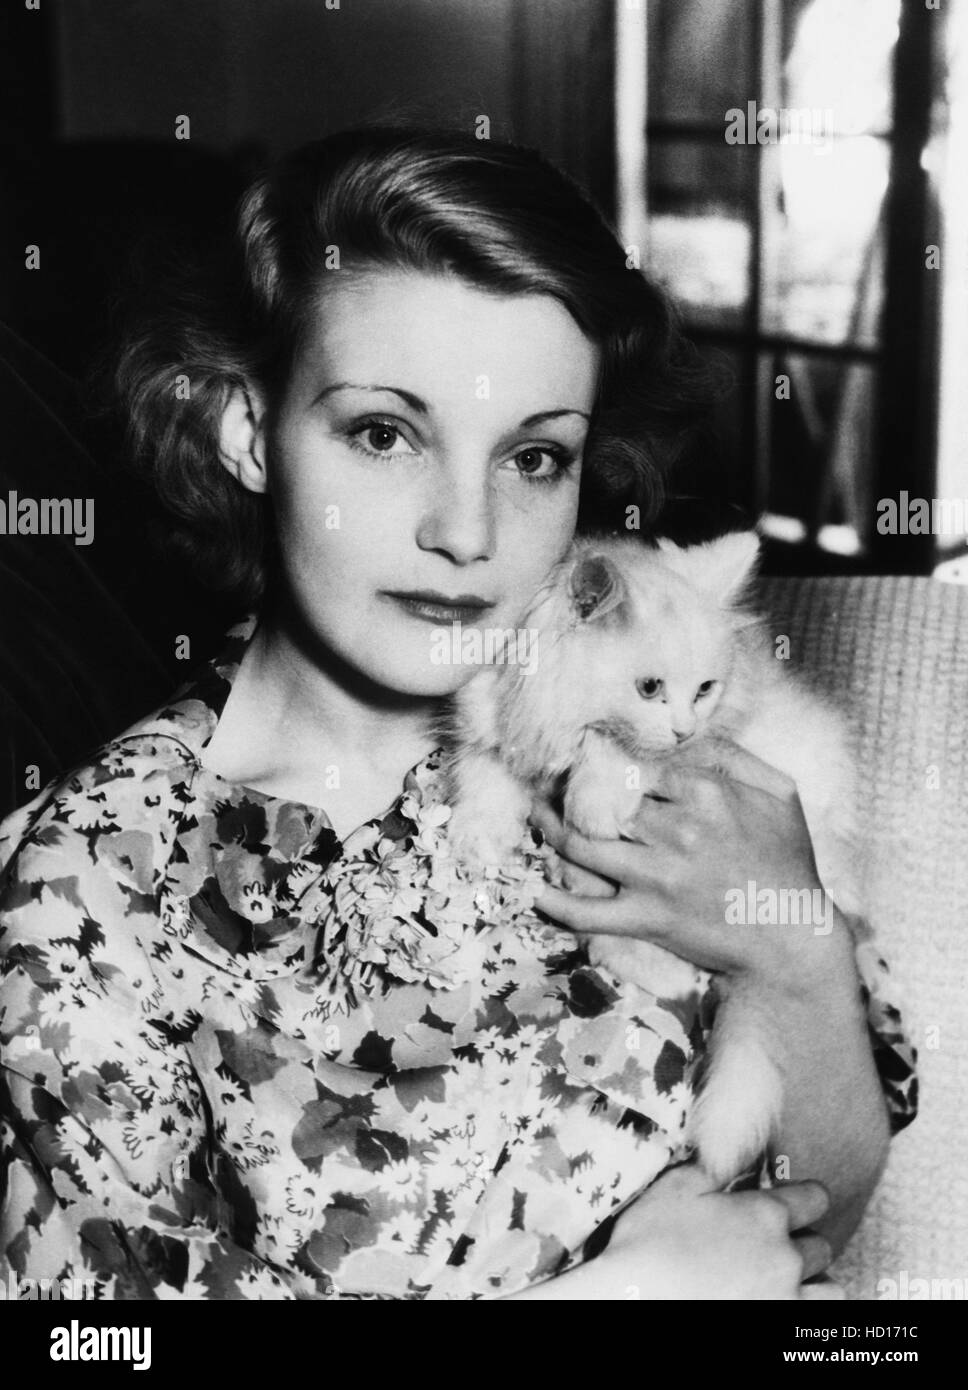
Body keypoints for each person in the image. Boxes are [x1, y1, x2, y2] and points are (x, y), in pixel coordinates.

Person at [0, 127, 916, 1301]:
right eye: (384, 433)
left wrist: (791, 953)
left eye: (534, 457)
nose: (468, 533)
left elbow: (815, 1218)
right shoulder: (95, 888)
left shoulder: (654, 715)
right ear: (246, 431)